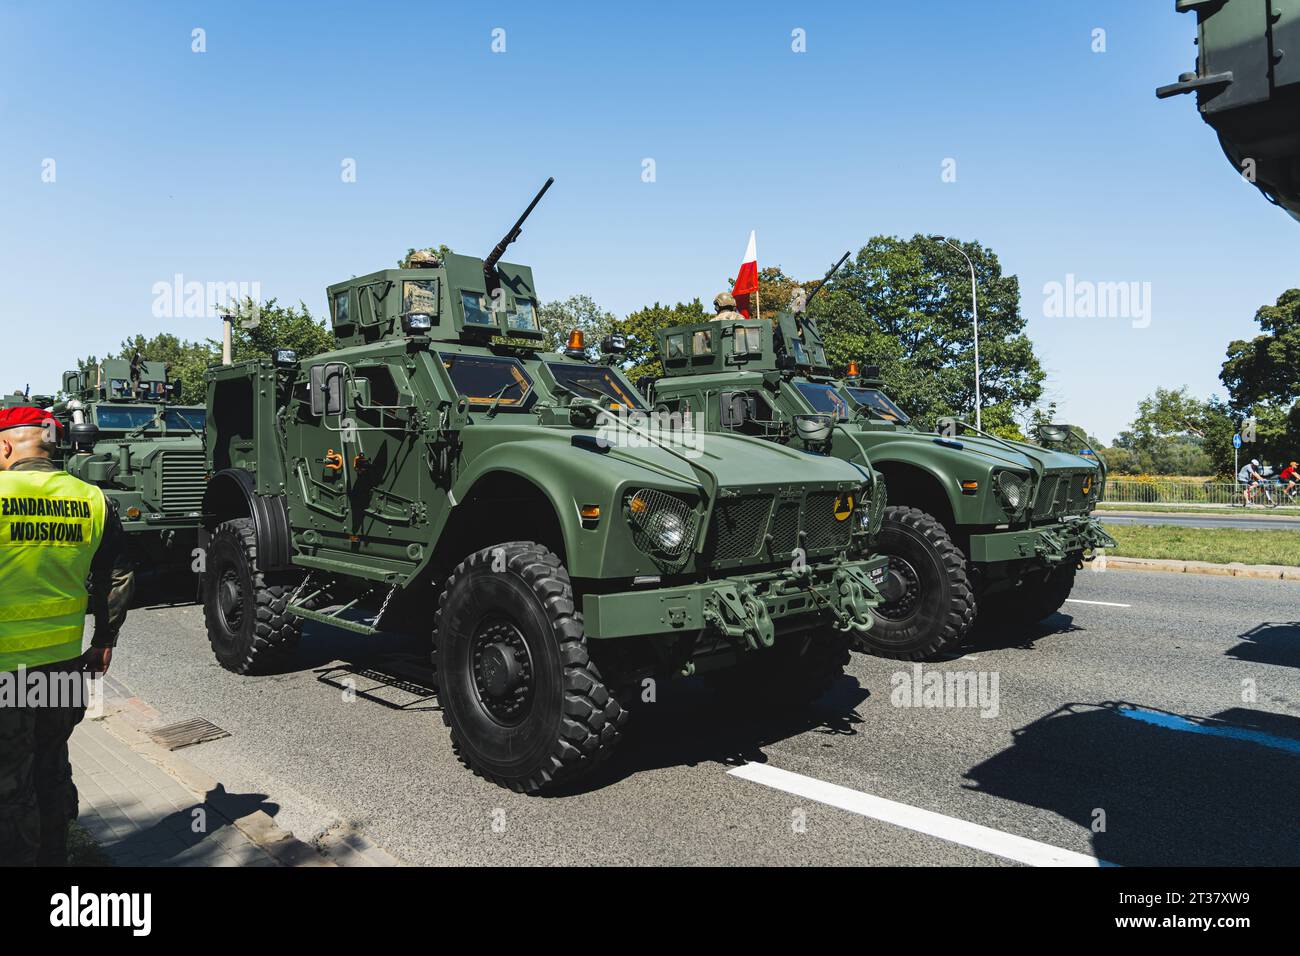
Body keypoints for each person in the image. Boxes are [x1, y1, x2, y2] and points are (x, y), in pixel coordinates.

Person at [0, 406, 132, 866]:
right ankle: (56, 857)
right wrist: (104, 640)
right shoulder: (92, 499)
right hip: (63, 667)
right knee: (51, 768)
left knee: (9, 786)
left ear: (4, 445)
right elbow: (116, 574)